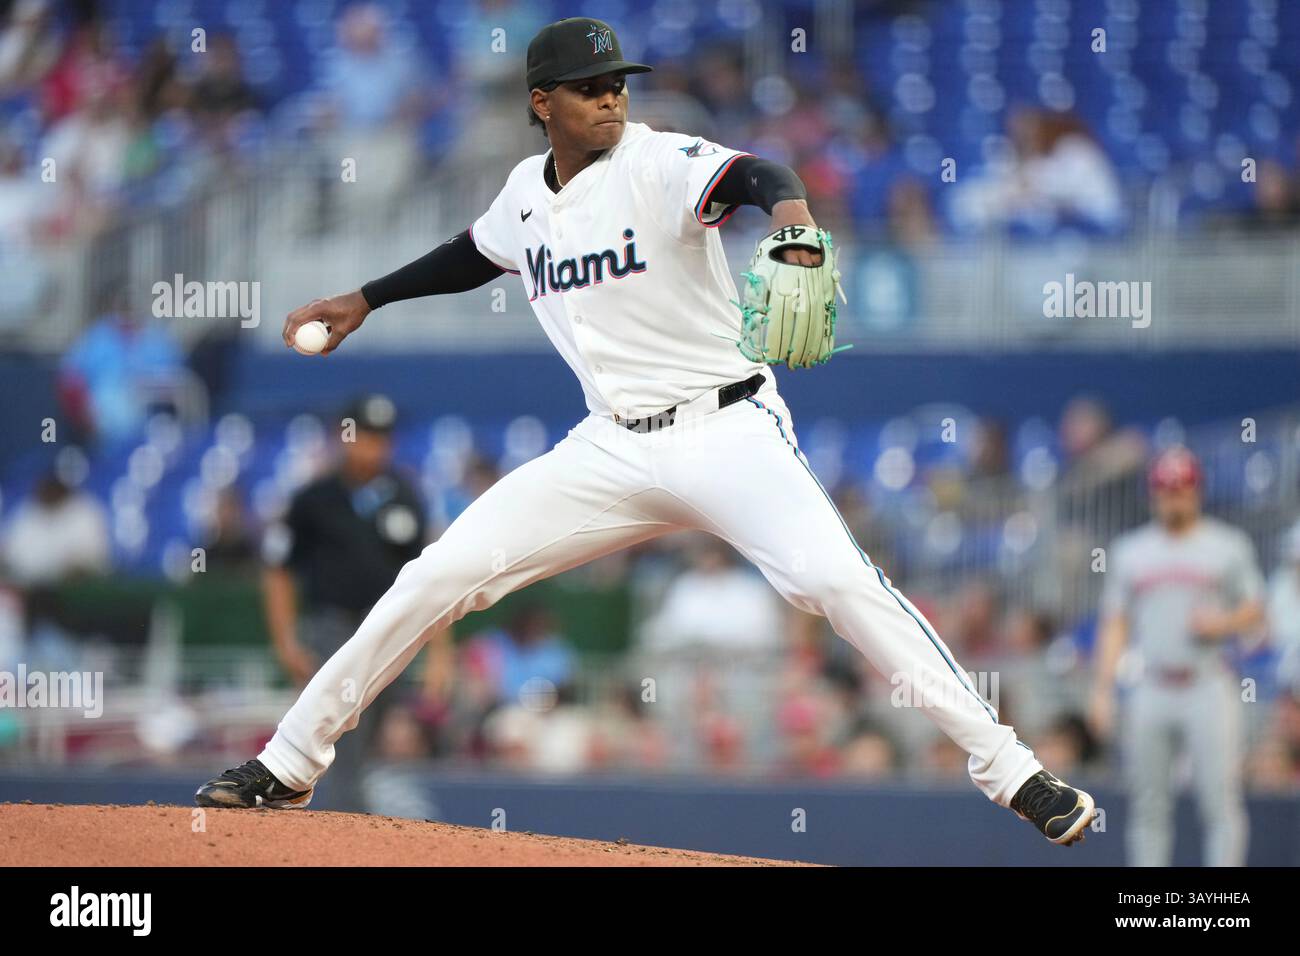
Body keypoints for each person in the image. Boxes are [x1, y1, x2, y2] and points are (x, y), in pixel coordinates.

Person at [196, 17, 1094, 847]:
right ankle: (290, 762)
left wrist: (790, 219)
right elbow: (474, 254)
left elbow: (758, 176)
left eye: (618, 83)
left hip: (725, 426)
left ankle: (1013, 772)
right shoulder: (525, 193)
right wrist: (367, 298)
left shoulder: (659, 160)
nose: (612, 99)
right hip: (610, 447)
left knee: (836, 581)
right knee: (439, 573)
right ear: (542, 103)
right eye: (591, 87)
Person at [1089, 447, 1265, 866]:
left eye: (1182, 489)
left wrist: (1222, 622)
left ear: (1197, 491)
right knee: (1149, 804)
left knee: (1219, 801)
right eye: (1167, 491)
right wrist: (1102, 688)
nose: (1175, 499)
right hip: (1151, 684)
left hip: (1207, 682)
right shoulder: (1132, 550)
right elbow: (1115, 622)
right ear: (1154, 495)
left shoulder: (1226, 545)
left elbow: (1256, 607)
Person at [255, 394, 432, 812]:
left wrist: (440, 651)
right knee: (345, 733)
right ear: (345, 435)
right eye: (366, 435)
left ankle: (347, 822)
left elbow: (432, 574)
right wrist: (286, 641)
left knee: (373, 731)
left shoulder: (405, 495)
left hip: (389, 631)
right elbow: (278, 569)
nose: (375, 446)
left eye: (383, 437)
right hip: (330, 628)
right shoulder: (313, 498)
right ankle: (344, 828)